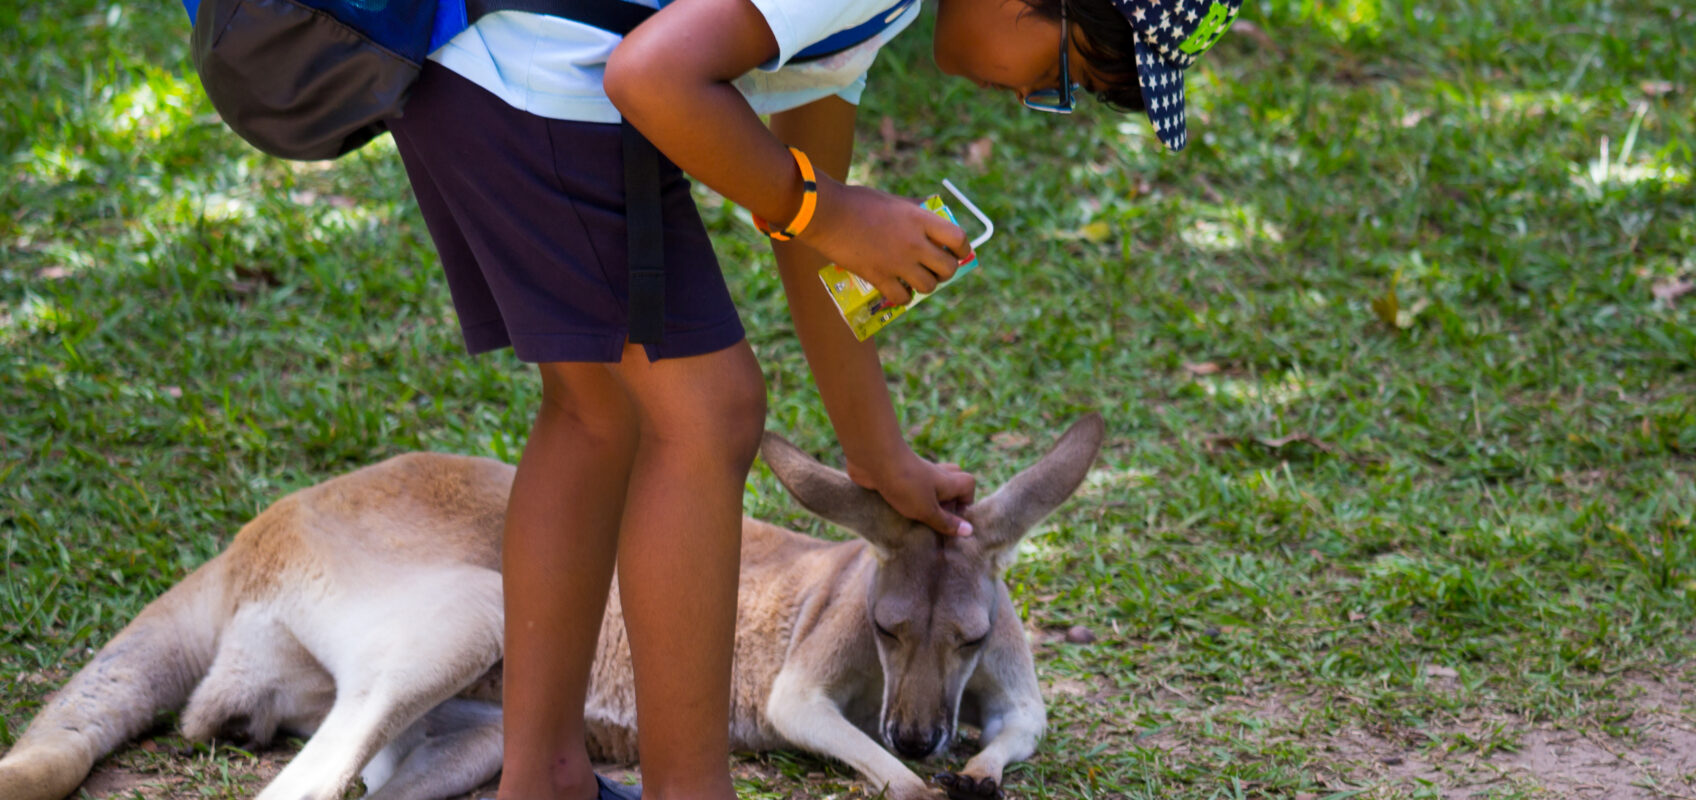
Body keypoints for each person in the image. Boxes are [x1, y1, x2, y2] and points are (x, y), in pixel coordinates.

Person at [384, 0, 1238, 799]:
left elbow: (805, 240)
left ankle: (544, 779)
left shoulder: (864, 21)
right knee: (708, 411)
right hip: (543, 77)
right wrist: (825, 210)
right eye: (1064, 75)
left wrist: (881, 456)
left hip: (483, 75)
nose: (1030, 95)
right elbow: (653, 78)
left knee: (597, 414)